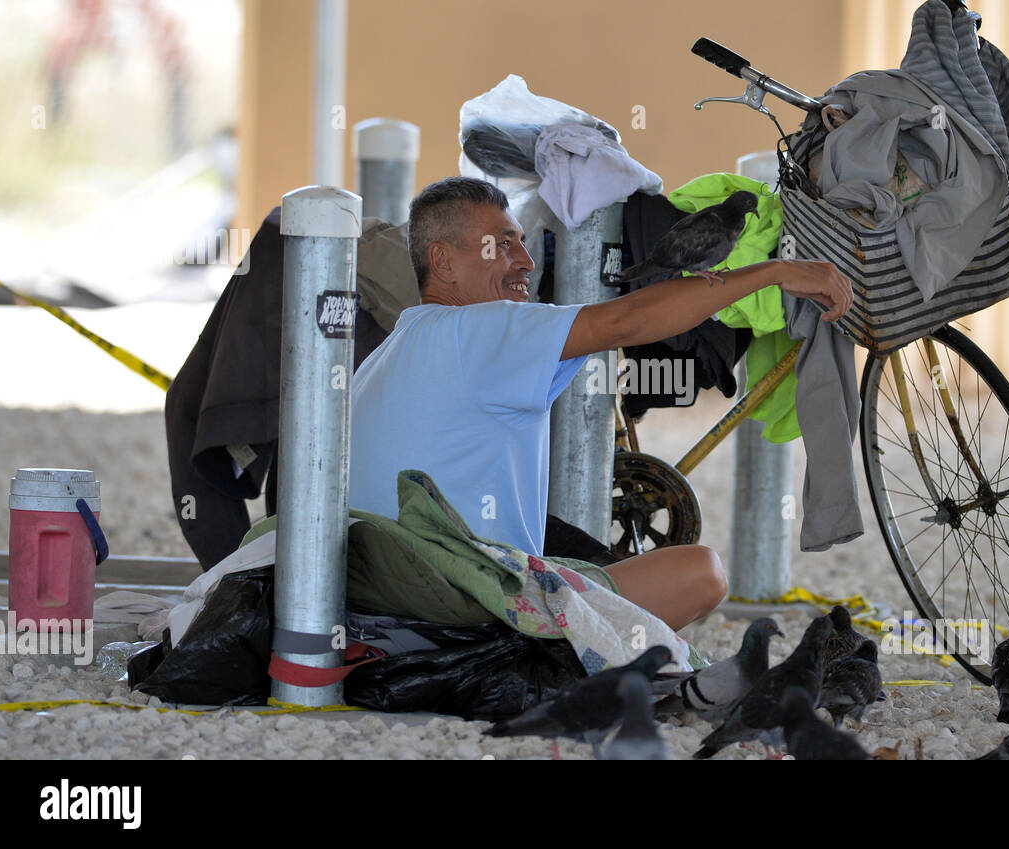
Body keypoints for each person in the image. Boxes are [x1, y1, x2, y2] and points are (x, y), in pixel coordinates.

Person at [349, 177, 852, 631]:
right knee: (701, 574)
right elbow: (624, 322)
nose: (525, 262)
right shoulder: (479, 327)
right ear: (441, 261)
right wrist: (775, 272)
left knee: (570, 545)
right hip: (450, 595)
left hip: (389, 580)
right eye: (501, 246)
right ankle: (540, 647)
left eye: (522, 243)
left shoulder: (396, 346)